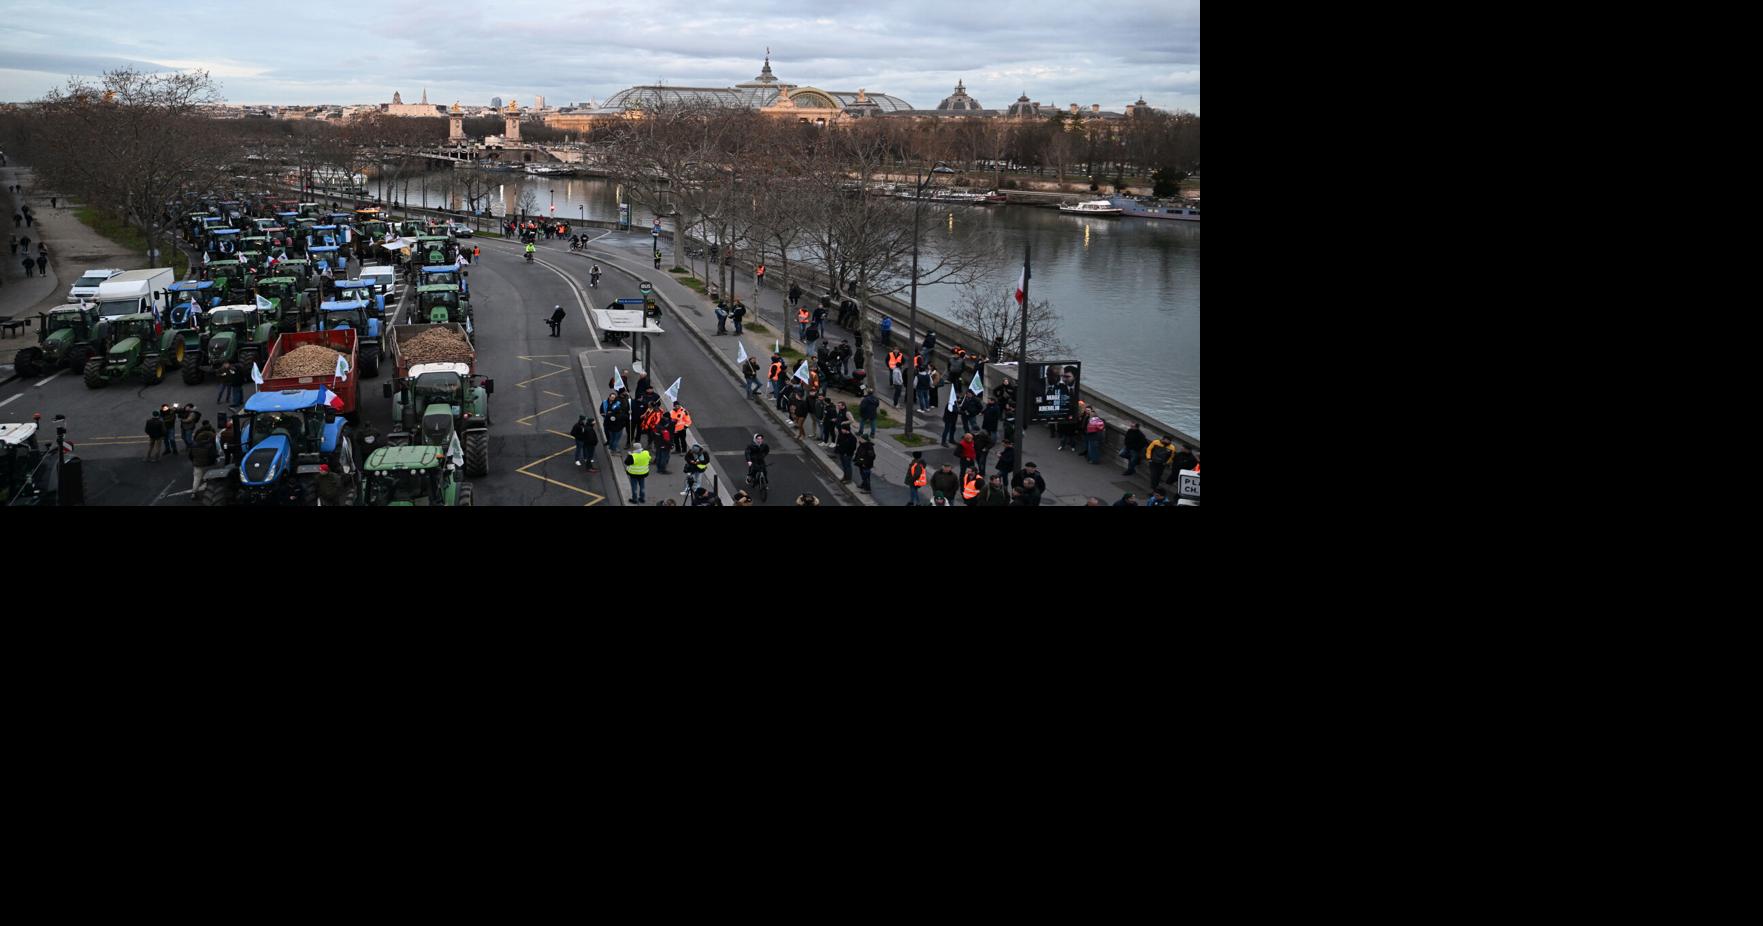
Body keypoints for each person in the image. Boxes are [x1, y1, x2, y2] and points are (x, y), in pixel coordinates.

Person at [190, 419, 218, 492]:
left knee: (196, 478)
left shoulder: (195, 444)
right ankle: (207, 489)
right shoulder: (211, 440)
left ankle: (194, 492)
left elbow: (191, 455)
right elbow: (213, 453)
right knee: (208, 476)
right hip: (208, 462)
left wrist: (193, 460)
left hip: (197, 462)